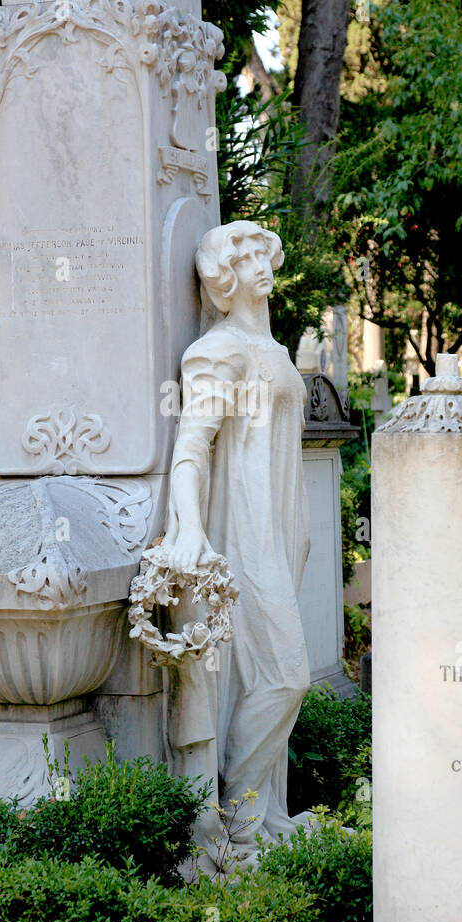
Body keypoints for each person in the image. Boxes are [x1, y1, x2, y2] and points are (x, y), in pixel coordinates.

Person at [158, 219, 311, 868]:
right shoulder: (218, 351)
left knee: (265, 678)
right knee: (287, 677)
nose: (258, 266)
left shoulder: (273, 351)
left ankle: (260, 818)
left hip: (280, 531)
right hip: (241, 535)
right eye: (242, 258)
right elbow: (191, 446)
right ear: (222, 281)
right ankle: (238, 830)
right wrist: (188, 528)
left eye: (261, 254)